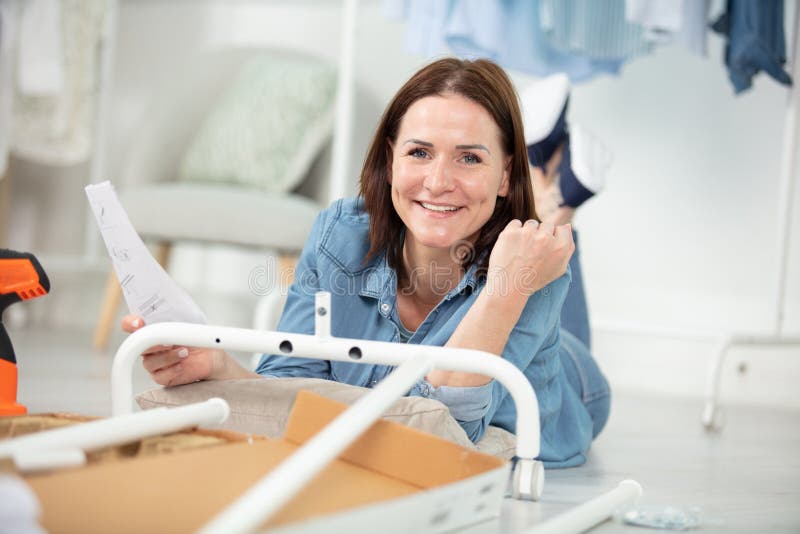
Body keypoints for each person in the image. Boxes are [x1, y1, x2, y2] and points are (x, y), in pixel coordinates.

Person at [121, 58, 610, 468]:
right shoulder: (341, 232)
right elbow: (291, 385)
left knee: (547, 248)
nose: (438, 181)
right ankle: (554, 191)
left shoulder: (526, 272)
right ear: (391, 159)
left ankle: (558, 205)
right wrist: (220, 365)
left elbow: (443, 436)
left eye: (469, 159)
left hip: (574, 387)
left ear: (506, 175)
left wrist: (505, 289)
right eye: (420, 152)